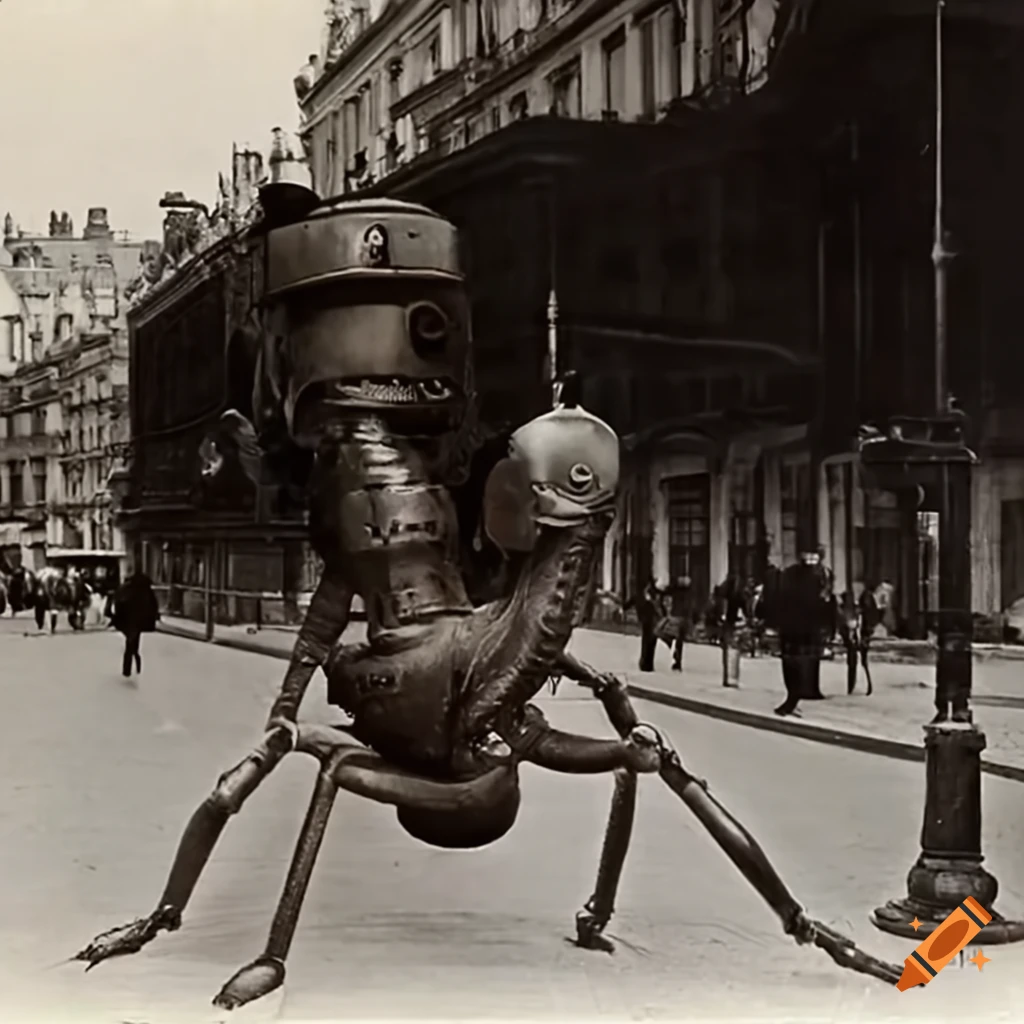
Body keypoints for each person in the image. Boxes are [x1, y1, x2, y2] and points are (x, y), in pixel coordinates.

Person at [768, 541, 833, 717]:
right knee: (798, 662)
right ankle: (794, 698)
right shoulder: (818, 576)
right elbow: (824, 603)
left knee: (795, 663)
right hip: (802, 628)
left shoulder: (795, 575)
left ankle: (795, 698)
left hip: (798, 628)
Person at [110, 570, 160, 677]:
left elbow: (119, 602)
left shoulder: (128, 589)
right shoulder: (146, 591)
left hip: (128, 620)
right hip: (138, 620)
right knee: (133, 642)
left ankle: (129, 667)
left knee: (131, 642)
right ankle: (135, 663)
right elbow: (153, 606)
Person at [626, 576, 663, 673]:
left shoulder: (654, 595)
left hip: (652, 621)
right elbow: (630, 602)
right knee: (647, 643)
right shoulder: (641, 596)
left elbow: (660, 608)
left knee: (650, 643)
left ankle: (648, 664)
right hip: (647, 621)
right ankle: (645, 664)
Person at [661, 574, 693, 671]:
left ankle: (676, 657)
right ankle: (677, 660)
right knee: (679, 640)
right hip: (683, 617)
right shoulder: (686, 592)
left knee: (668, 634)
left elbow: (666, 591)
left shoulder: (676, 590)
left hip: (677, 616)